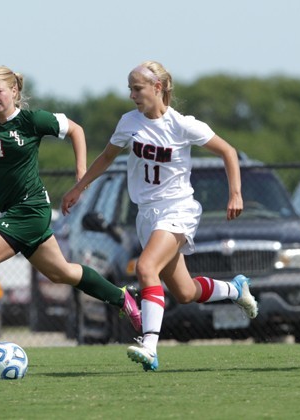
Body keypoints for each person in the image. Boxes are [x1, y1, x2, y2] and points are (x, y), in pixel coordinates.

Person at [0, 65, 141, 357]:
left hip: (30, 209)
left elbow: (75, 129)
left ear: (14, 91)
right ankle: (122, 298)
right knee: (62, 273)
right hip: (14, 212)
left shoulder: (31, 120)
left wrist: (81, 170)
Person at [61, 61, 258, 372]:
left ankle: (149, 345)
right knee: (185, 291)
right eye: (130, 89)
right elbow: (106, 157)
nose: (132, 95)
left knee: (146, 266)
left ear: (158, 88)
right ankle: (236, 289)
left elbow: (228, 152)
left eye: (137, 88)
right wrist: (79, 188)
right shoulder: (129, 122)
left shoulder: (183, 125)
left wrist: (235, 193)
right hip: (147, 215)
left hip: (177, 208)